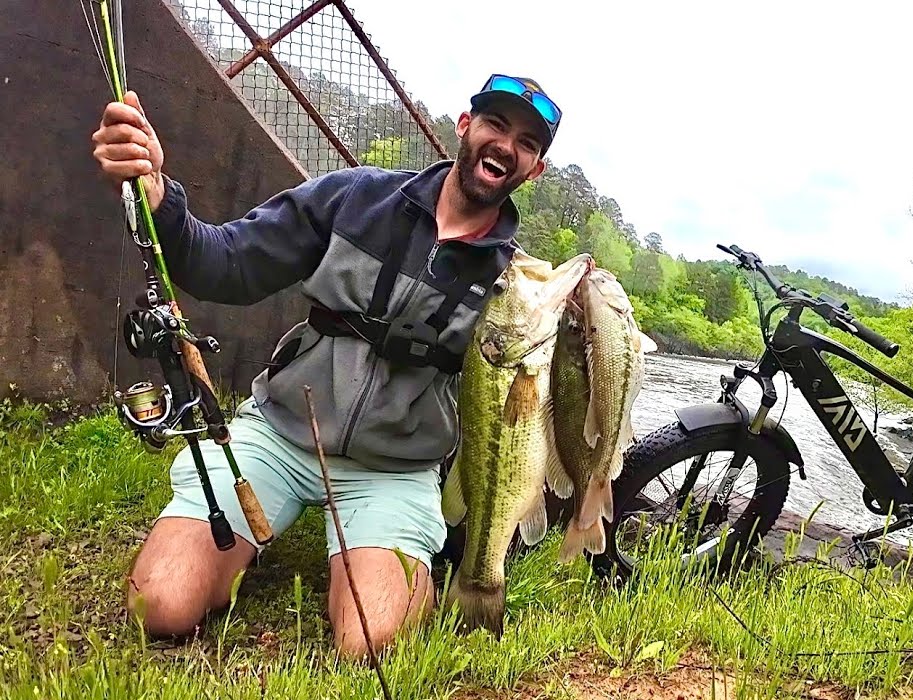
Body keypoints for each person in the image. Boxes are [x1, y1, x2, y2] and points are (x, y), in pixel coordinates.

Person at [90, 74, 562, 659]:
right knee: (158, 603)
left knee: (373, 641)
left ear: (533, 170)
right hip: (281, 435)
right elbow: (226, 263)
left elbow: (541, 411)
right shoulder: (354, 199)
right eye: (495, 124)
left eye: (527, 143)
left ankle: (386, 556)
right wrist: (159, 197)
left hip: (396, 467)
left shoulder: (516, 284)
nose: (505, 145)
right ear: (464, 128)